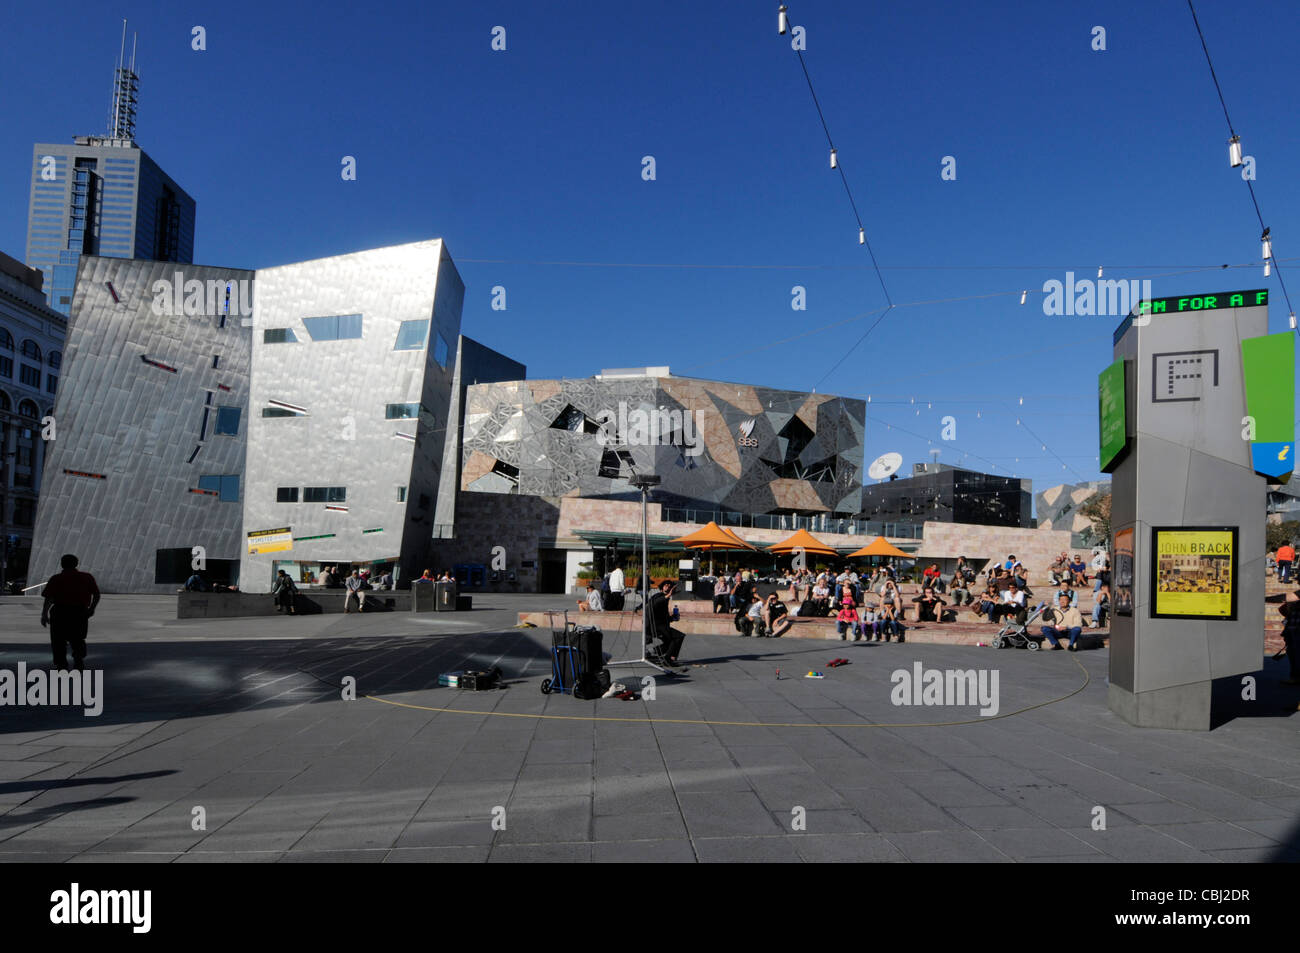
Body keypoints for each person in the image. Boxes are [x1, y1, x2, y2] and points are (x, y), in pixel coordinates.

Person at [40, 554, 101, 671]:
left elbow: (48, 598)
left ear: (62, 564)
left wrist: (44, 614)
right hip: (79, 612)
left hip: (60, 612)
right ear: (76, 564)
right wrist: (91, 608)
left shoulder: (56, 579)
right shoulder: (87, 577)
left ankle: (61, 664)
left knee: (58, 640)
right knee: (78, 638)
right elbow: (97, 594)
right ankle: (78, 660)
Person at [647, 580, 685, 664]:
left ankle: (651, 653)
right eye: (666, 585)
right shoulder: (659, 596)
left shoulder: (665, 598)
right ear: (661, 587)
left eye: (670, 586)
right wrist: (668, 595)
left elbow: (662, 615)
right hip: (656, 626)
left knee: (669, 642)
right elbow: (656, 603)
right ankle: (668, 659)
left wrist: (672, 618)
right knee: (678, 636)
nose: (668, 587)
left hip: (660, 626)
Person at [1279, 591, 1300, 685]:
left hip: (1296, 629)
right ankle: (1295, 677)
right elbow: (1282, 609)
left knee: (1296, 655)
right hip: (1292, 628)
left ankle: (1295, 677)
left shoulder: (1295, 598)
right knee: (1292, 654)